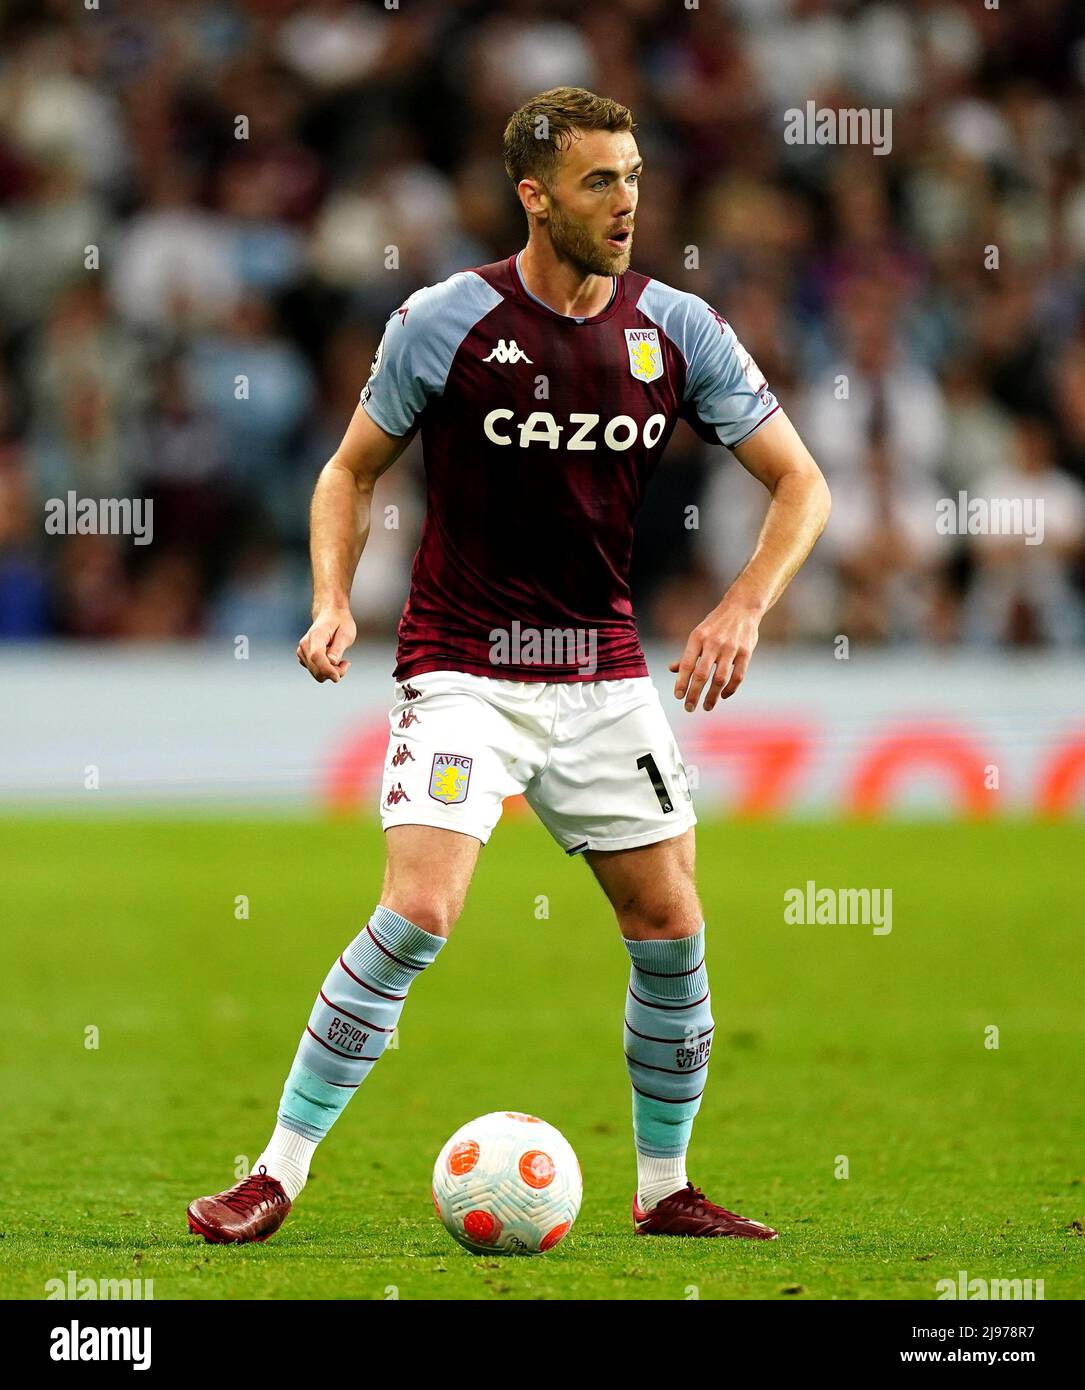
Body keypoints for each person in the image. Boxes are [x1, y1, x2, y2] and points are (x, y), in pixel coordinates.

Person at [187, 87, 830, 1245]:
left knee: (671, 926)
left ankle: (662, 1186)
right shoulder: (443, 321)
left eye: (633, 176)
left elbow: (802, 483)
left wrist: (741, 607)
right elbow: (348, 471)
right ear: (533, 194)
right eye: (599, 181)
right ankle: (273, 1172)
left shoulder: (676, 329)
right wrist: (332, 599)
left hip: (601, 676)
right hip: (461, 668)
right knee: (419, 910)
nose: (626, 201)